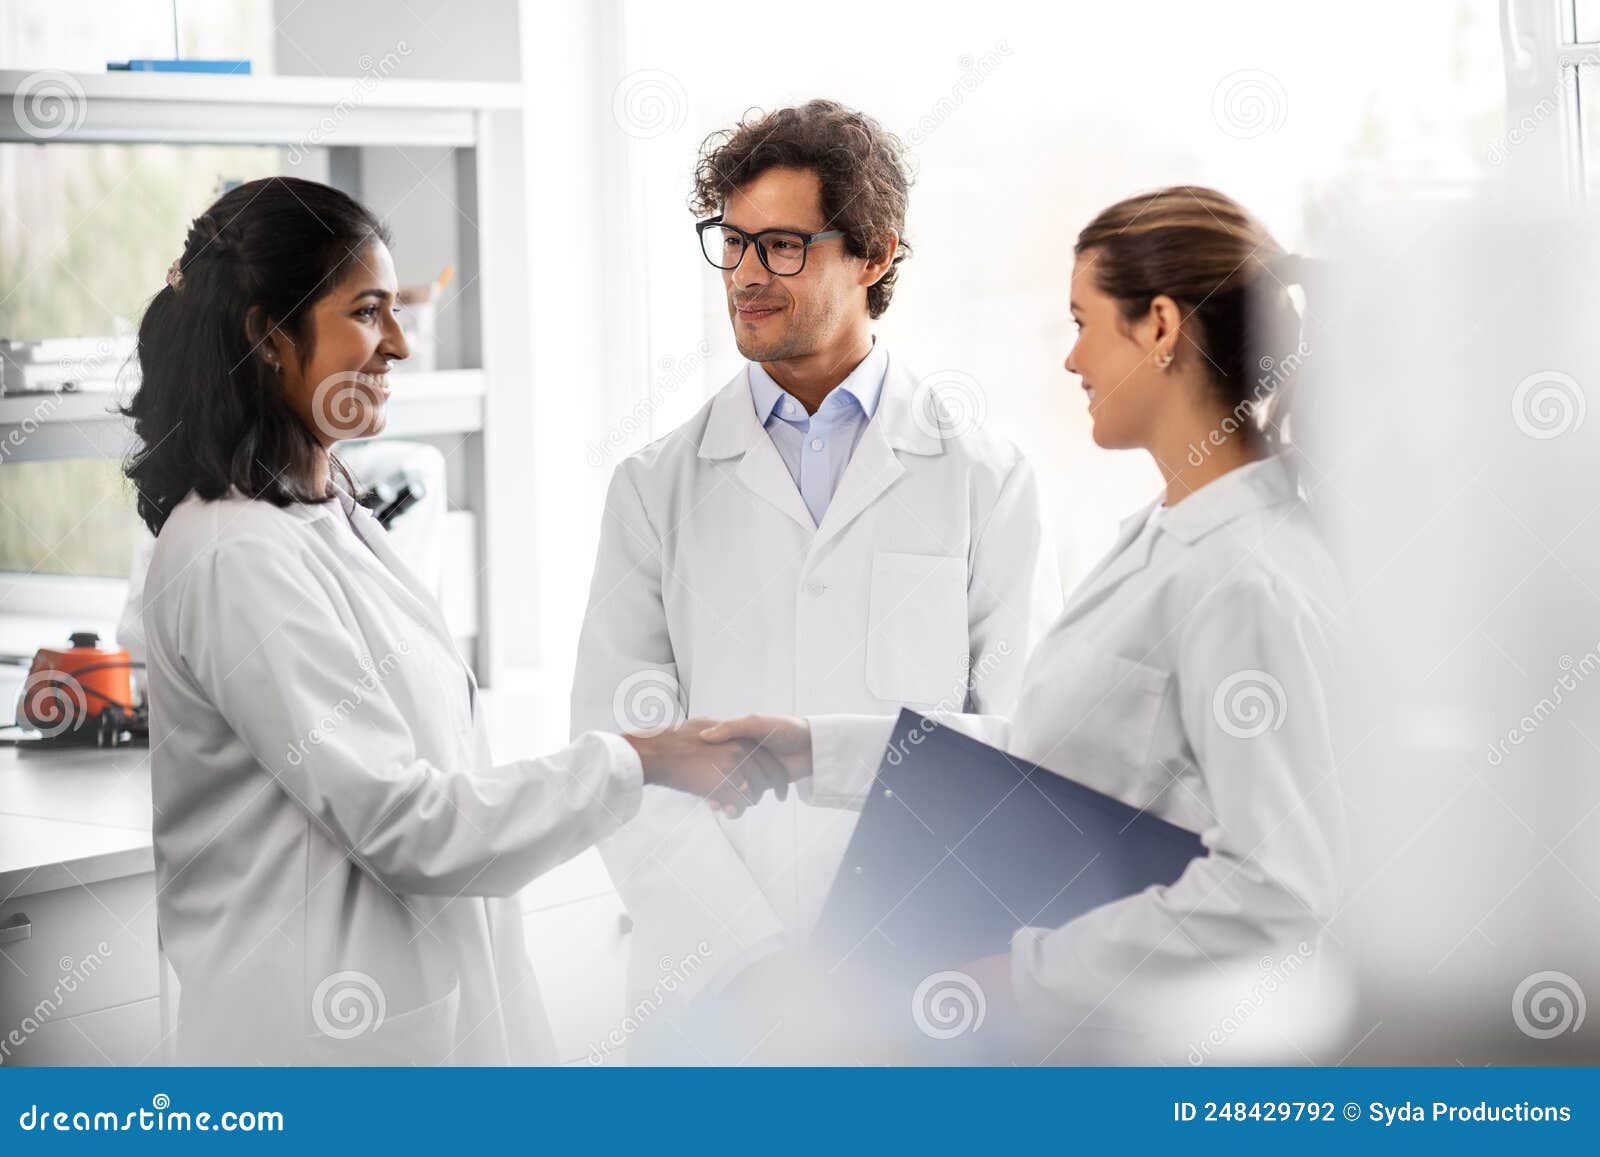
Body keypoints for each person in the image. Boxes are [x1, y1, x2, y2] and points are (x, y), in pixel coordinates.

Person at [126, 177, 783, 1065]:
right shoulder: (232, 553)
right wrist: (641, 758)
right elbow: (407, 823)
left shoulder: (326, 519)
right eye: (368, 312)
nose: (399, 343)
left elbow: (428, 782)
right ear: (267, 334)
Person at [703, 186, 1351, 1064]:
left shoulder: (1243, 578)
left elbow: (1279, 885)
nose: (1072, 359)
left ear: (1161, 326)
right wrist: (811, 749)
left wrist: (1028, 972)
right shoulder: (1173, 536)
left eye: (1083, 322)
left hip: (1150, 1048)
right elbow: (1056, 758)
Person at [570, 100, 1060, 1056]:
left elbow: (1023, 747)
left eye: (783, 246)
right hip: (710, 996)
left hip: (919, 978)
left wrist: (884, 953)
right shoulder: (654, 487)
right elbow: (623, 754)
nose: (746, 275)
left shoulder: (986, 477)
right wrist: (753, 962)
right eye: (733, 243)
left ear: (874, 255)